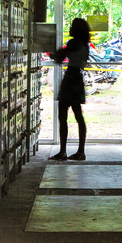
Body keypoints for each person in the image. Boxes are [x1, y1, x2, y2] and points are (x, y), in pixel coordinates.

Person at [49, 17, 91, 160]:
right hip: (78, 78)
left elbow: (58, 58)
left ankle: (63, 151)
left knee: (63, 116)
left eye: (72, 26)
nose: (70, 28)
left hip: (70, 79)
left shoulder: (73, 43)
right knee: (78, 116)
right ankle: (81, 151)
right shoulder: (85, 44)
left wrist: (48, 47)